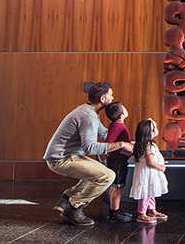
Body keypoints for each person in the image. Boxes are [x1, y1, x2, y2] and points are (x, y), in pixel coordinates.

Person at [43, 82, 134, 226]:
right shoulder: (88, 116)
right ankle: (74, 207)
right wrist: (121, 145)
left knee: (96, 172)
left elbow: (105, 134)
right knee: (107, 176)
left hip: (68, 155)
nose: (113, 97)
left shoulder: (88, 111)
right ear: (102, 99)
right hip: (60, 159)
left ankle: (67, 198)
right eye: (111, 95)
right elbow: (90, 148)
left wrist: (131, 142)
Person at [129, 119, 169, 224]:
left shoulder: (142, 144)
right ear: (150, 133)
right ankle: (141, 214)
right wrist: (161, 167)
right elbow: (150, 162)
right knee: (145, 193)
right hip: (147, 173)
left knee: (150, 191)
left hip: (147, 174)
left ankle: (152, 210)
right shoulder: (149, 146)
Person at [103, 102, 134, 222]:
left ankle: (114, 210)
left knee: (115, 187)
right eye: (125, 108)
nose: (127, 109)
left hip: (117, 160)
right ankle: (114, 214)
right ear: (121, 115)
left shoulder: (115, 125)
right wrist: (123, 148)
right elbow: (109, 143)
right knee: (118, 187)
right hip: (117, 162)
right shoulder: (117, 126)